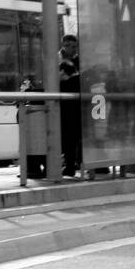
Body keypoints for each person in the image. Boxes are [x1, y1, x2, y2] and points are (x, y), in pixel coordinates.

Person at [59, 34, 82, 178]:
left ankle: (74, 163)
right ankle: (69, 164)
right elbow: (63, 78)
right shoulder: (57, 59)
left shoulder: (78, 60)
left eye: (73, 46)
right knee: (68, 135)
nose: (71, 49)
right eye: (67, 46)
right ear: (63, 45)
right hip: (65, 102)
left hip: (77, 102)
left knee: (76, 134)